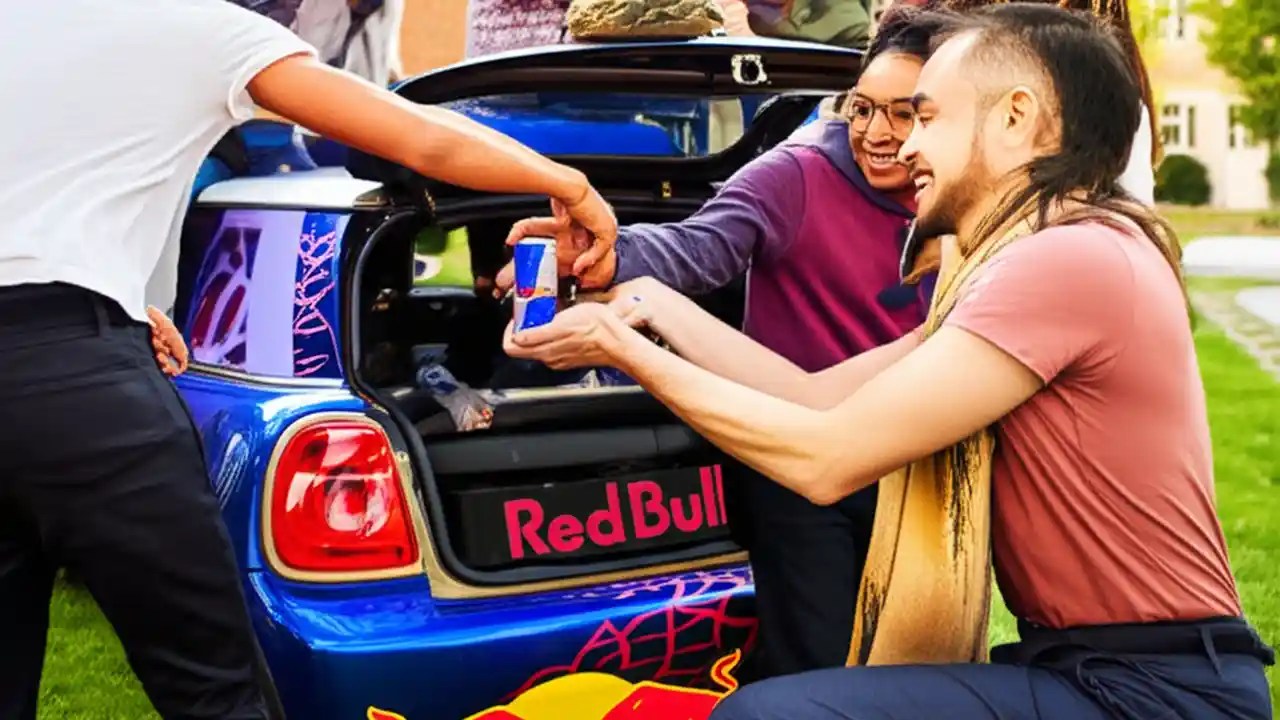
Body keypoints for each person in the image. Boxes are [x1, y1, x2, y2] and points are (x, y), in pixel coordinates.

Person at [504, 5, 1275, 719]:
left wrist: (624, 351)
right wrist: (640, 302)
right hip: (1100, 670)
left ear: (1016, 120)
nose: (903, 145)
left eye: (926, 115)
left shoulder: (1065, 263)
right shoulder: (1038, 261)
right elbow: (812, 397)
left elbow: (825, 459)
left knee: (766, 713)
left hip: (1155, 691)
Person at [0, 2, 614, 719]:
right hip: (73, 385)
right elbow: (423, 140)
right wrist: (569, 185)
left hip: (64, 335)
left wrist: (117, 297)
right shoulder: (198, 28)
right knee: (213, 695)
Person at [497, 9, 938, 680]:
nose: (876, 133)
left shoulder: (958, 198)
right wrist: (604, 257)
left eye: (901, 115)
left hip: (915, 462)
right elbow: (695, 249)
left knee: (911, 664)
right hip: (793, 466)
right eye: (861, 109)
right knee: (818, 666)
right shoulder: (793, 175)